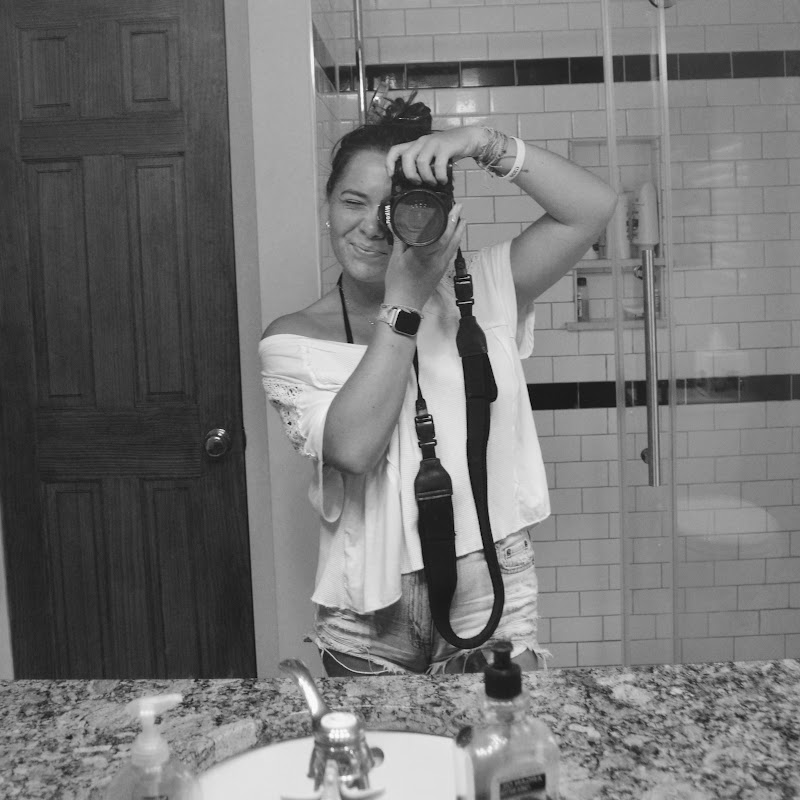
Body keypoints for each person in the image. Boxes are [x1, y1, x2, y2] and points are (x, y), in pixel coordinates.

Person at [260, 92, 617, 677]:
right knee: (380, 744)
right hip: (369, 607)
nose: (372, 226)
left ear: (426, 211)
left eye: (392, 206)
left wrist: (479, 142)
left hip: (489, 578)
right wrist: (405, 300)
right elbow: (353, 449)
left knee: (500, 736)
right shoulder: (293, 337)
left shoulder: (481, 290)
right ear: (328, 206)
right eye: (353, 201)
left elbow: (592, 207)